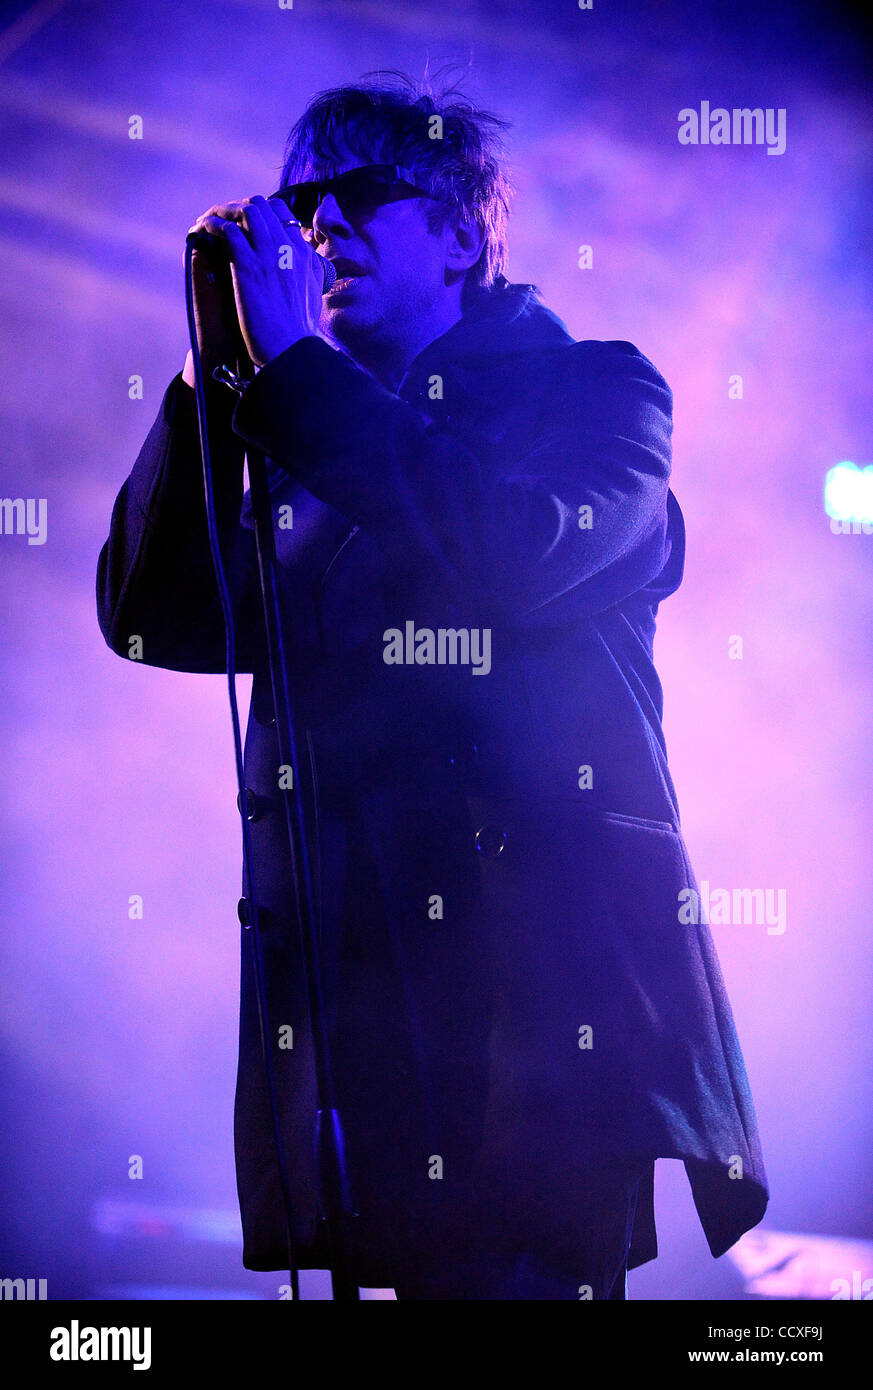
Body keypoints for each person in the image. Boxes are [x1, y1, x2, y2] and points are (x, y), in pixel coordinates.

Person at [96, 70, 768, 1300]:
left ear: (464, 232)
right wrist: (210, 381)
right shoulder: (304, 439)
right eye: (300, 208)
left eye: (354, 195)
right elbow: (153, 621)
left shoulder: (596, 394)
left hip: (535, 1033)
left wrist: (294, 369)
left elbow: (508, 555)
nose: (319, 231)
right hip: (356, 1032)